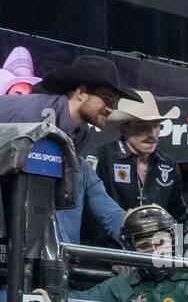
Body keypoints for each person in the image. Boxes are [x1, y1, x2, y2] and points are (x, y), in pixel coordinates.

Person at [0, 54, 133, 245]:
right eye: (107, 99)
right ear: (81, 92)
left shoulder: (80, 133)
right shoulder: (35, 114)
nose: (111, 109)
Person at [93, 91, 186, 224]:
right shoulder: (101, 158)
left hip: (157, 243)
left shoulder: (168, 165)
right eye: (143, 126)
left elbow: (178, 216)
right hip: (106, 244)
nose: (153, 134)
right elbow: (90, 215)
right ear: (124, 128)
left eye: (156, 125)